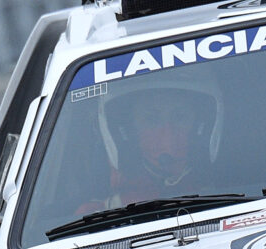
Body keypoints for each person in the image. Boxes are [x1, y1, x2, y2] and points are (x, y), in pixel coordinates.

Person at [94, 76, 223, 207]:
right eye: (152, 119)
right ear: (129, 132)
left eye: (180, 117)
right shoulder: (94, 216)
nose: (167, 135)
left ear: (201, 127)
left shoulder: (235, 196)